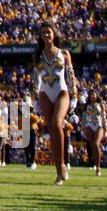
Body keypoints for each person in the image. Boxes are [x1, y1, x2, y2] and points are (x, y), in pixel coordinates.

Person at [33, 21, 77, 185]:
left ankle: (64, 163)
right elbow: (35, 79)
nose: (46, 35)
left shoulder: (64, 54)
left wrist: (75, 97)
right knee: (51, 130)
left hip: (62, 92)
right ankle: (59, 170)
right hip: (45, 93)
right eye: (43, 33)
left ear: (54, 34)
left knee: (57, 122)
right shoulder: (38, 55)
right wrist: (35, 97)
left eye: (48, 32)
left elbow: (71, 77)